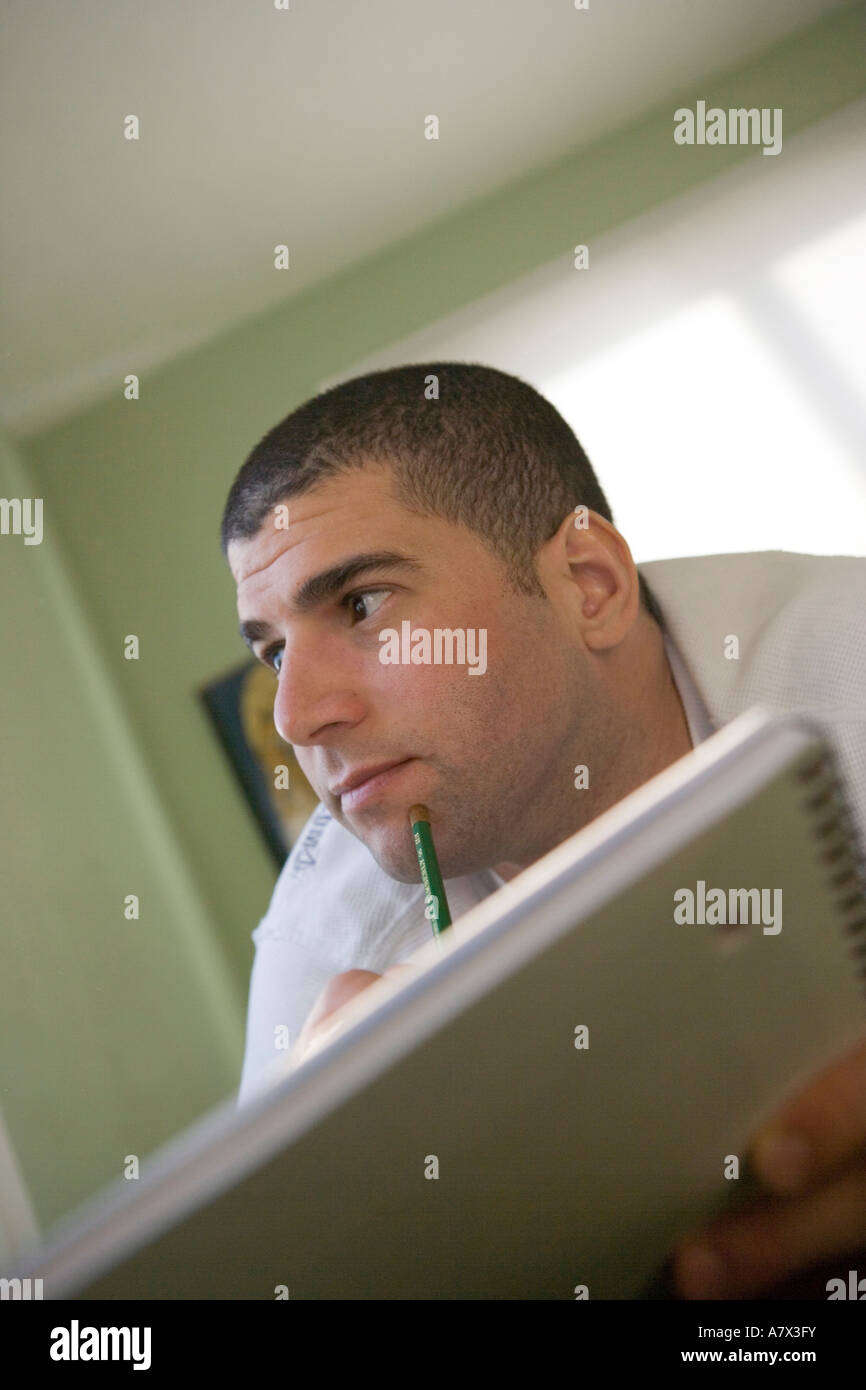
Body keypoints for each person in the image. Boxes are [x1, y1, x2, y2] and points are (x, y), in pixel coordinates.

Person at [221, 361, 866, 1299]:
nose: (295, 714)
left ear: (590, 585)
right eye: (273, 650)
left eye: (362, 604)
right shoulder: (328, 944)